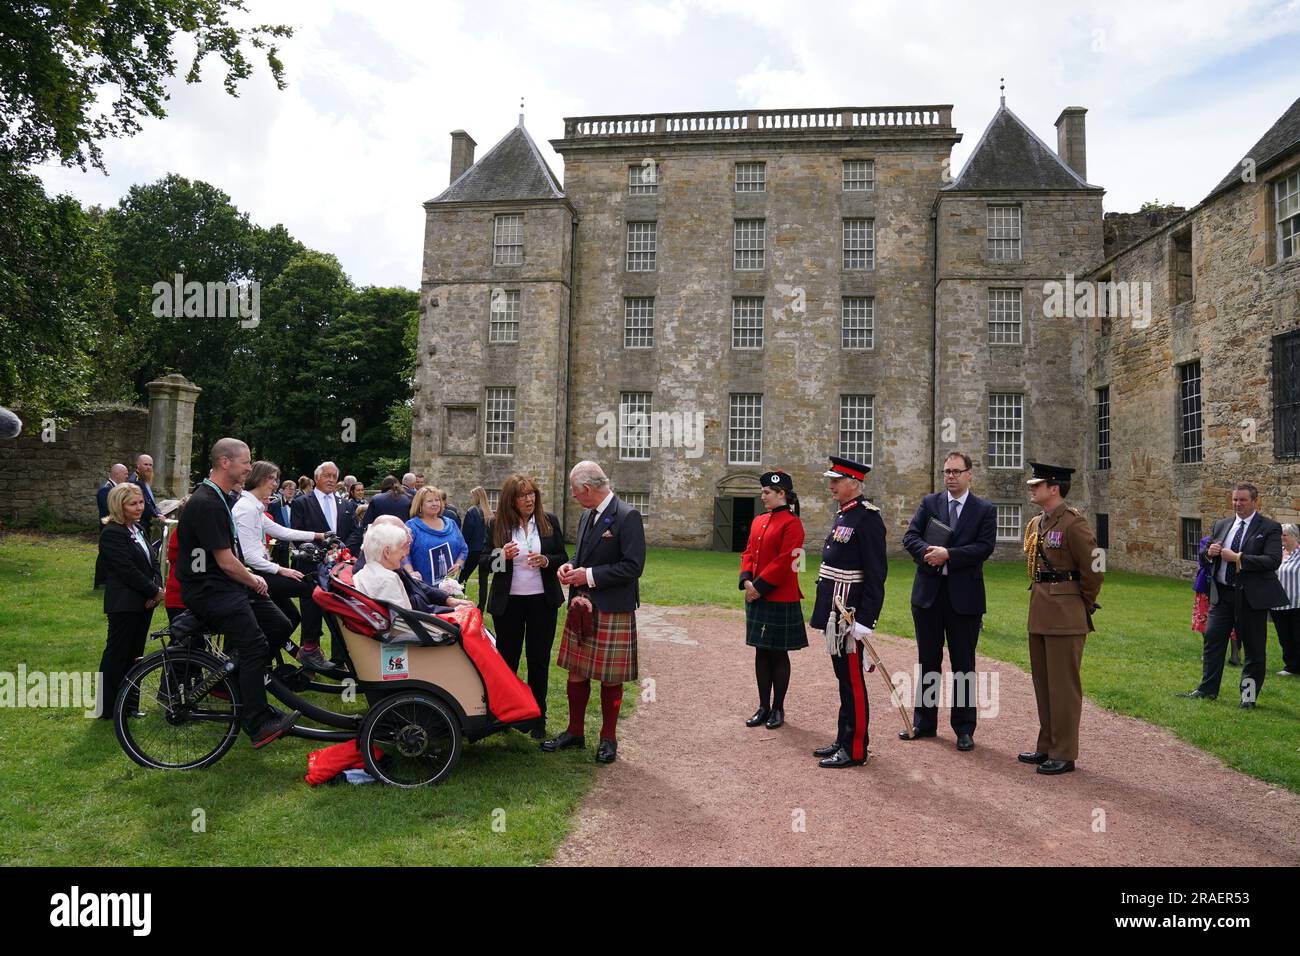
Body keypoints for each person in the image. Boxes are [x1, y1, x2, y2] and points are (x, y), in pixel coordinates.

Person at [175, 438, 299, 748]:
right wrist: (254, 580)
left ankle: (238, 679)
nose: (249, 467)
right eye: (245, 462)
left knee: (280, 625)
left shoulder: (221, 498)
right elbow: (227, 562)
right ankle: (257, 722)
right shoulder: (207, 502)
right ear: (225, 462)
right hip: (212, 590)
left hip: (225, 585)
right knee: (255, 645)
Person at [542, 461, 646, 765]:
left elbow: (633, 567)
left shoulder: (627, 516)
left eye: (575, 491)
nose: (573, 496)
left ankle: (608, 738)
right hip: (581, 606)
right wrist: (571, 566)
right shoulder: (588, 515)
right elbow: (582, 554)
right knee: (577, 670)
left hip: (612, 607)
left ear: (588, 488)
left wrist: (587, 575)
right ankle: (575, 732)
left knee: (610, 678)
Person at [900, 451, 997, 750]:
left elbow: (984, 547)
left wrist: (949, 555)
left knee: (963, 666)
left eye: (956, 471)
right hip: (928, 597)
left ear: (970, 474)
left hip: (965, 599)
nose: (950, 477)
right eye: (946, 472)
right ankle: (925, 723)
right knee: (928, 661)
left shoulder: (984, 509)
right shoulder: (930, 503)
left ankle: (964, 728)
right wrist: (929, 551)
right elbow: (910, 537)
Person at [1018, 462, 1103, 775]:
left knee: (1063, 687)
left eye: (1037, 484)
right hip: (1041, 609)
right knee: (1043, 683)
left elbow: (1096, 565)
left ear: (1054, 488)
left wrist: (1082, 602)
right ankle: (1047, 745)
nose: (1032, 488)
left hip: (1065, 613)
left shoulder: (1073, 523)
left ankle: (1064, 752)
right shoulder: (1041, 522)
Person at [808, 456, 887, 769]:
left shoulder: (867, 519)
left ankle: (855, 748)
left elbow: (875, 574)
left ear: (854, 483)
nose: (831, 485)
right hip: (836, 612)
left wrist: (865, 622)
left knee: (853, 682)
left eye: (836, 481)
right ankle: (844, 737)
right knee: (843, 679)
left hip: (850, 615)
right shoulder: (845, 515)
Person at [1179, 484, 1288, 707]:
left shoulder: (1269, 527)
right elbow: (1205, 556)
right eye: (1235, 500)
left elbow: (1272, 560)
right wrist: (1208, 553)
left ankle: (1247, 699)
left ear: (1255, 501)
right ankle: (1207, 690)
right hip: (1222, 597)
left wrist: (1239, 557)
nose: (1238, 504)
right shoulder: (1222, 525)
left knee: (1254, 651)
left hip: (1250, 599)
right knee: (1212, 642)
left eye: (1243, 500)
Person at [480, 475, 568, 737]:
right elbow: (484, 562)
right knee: (508, 659)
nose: (529, 499)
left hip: (542, 601)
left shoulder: (548, 521)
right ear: (511, 499)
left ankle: (538, 716)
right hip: (509, 603)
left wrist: (545, 560)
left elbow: (562, 556)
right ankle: (506, 716)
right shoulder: (496, 524)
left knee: (539, 660)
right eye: (523, 495)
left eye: (532, 494)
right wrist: (501, 556)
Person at [233, 460, 329, 669]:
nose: (275, 484)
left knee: (291, 617)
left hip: (261, 570)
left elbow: (282, 531)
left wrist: (318, 535)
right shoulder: (247, 508)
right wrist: (282, 570)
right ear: (259, 479)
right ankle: (309, 648)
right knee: (309, 587)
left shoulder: (254, 506)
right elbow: (248, 556)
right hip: (254, 575)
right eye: (272, 479)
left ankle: (265, 661)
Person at [738, 470, 806, 730]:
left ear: (782, 494)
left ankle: (778, 708)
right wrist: (746, 580)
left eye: (767, 492)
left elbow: (787, 560)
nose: (762, 496)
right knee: (760, 651)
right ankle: (763, 706)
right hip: (756, 594)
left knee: (778, 653)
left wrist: (758, 587)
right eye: (763, 491)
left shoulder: (793, 523)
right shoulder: (759, 520)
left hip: (779, 597)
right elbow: (748, 553)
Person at [97, 483, 164, 718]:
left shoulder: (138, 529)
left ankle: (129, 706)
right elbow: (126, 570)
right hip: (124, 604)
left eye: (141, 503)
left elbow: (153, 562)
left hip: (144, 602)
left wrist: (156, 588)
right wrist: (153, 592)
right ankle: (107, 708)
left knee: (136, 656)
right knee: (117, 654)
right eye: (132, 504)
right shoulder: (113, 533)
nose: (139, 508)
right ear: (119, 505)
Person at [290, 461, 360, 662]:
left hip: (340, 569)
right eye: (326, 475)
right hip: (312, 567)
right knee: (311, 614)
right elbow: (297, 533)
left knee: (340, 613)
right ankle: (310, 659)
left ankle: (340, 660)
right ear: (316, 478)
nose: (330, 479)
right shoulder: (302, 502)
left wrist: (342, 549)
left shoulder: (345, 504)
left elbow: (356, 532)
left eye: (334, 476)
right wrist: (323, 551)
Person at [1191, 534, 1240, 665]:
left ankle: (1235, 655)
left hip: (1228, 587)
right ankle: (1208, 652)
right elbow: (1202, 560)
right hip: (1206, 587)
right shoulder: (1207, 541)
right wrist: (1210, 553)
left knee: (1234, 622)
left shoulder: (1238, 541)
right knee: (1204, 619)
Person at [406, 486, 468, 584]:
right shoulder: (412, 526)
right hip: (422, 586)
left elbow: (463, 548)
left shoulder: (451, 524)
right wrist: (410, 572)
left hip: (448, 585)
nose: (435, 504)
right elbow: (404, 553)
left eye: (437, 500)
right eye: (430, 501)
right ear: (420, 505)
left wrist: (458, 564)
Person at [94, 463, 130, 589]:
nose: (127, 476)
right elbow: (108, 511)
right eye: (125, 473)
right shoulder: (106, 490)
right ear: (117, 474)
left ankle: (109, 580)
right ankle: (101, 582)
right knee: (105, 554)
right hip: (108, 528)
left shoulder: (115, 490)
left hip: (115, 527)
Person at [1273, 524, 1300, 677]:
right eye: (1280, 535)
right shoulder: (1278, 554)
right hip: (1278, 604)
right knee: (1284, 637)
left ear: (1295, 536)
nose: (1281, 538)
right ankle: (1291, 666)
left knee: (1298, 636)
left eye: (1285, 535)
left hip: (1297, 603)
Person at [460, 486, 490, 606]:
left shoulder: (472, 511)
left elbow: (466, 533)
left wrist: (462, 548)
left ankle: (461, 604)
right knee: (483, 581)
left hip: (473, 549)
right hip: (486, 550)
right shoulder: (489, 513)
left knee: (462, 578)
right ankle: (481, 608)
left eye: (472, 496)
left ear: (476, 497)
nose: (470, 498)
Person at [129, 454, 163, 542]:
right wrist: (156, 515)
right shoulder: (135, 481)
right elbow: (145, 504)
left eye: (150, 465)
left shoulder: (144, 480)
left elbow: (151, 502)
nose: (148, 467)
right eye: (145, 464)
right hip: (139, 523)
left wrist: (159, 513)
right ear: (138, 465)